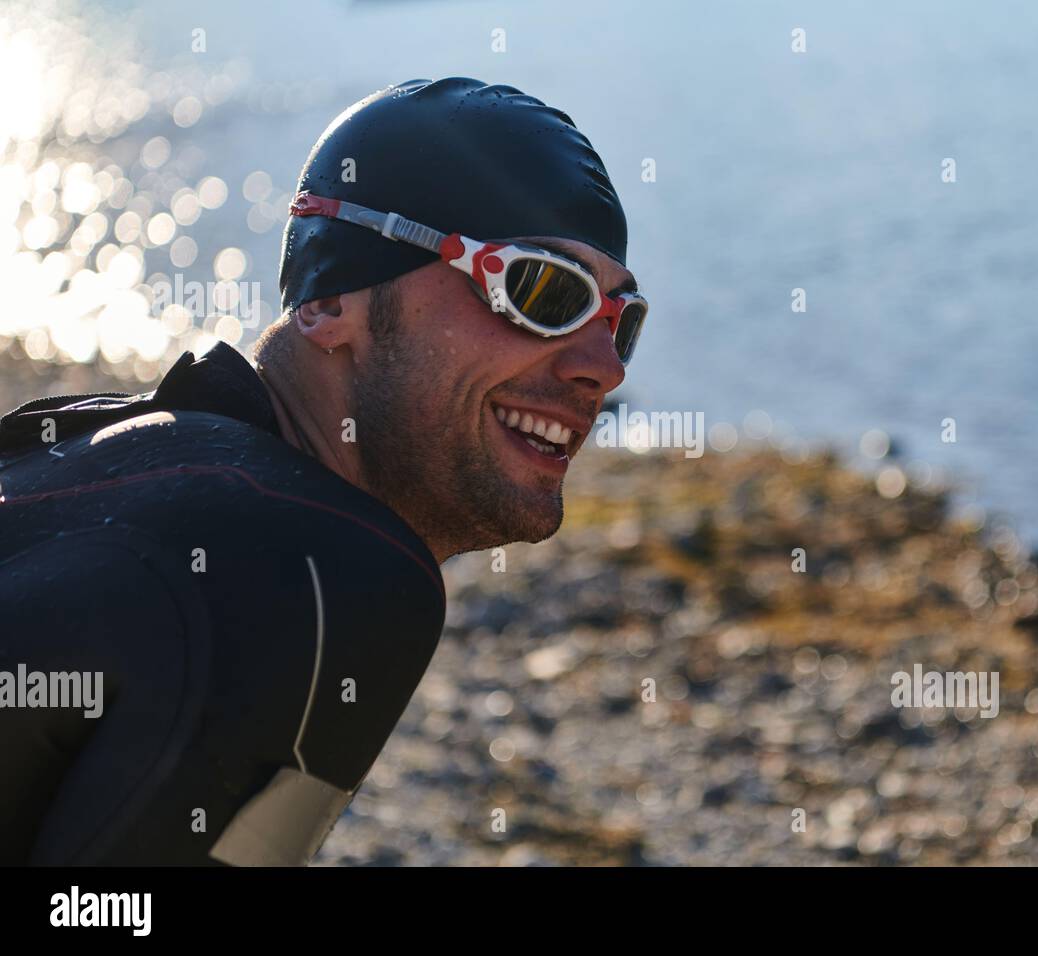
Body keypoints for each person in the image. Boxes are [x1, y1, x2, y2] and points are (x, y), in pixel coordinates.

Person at [0, 77, 646, 865]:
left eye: (621, 320)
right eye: (542, 290)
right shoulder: (325, 567)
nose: (604, 369)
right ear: (329, 301)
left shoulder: (86, 449)